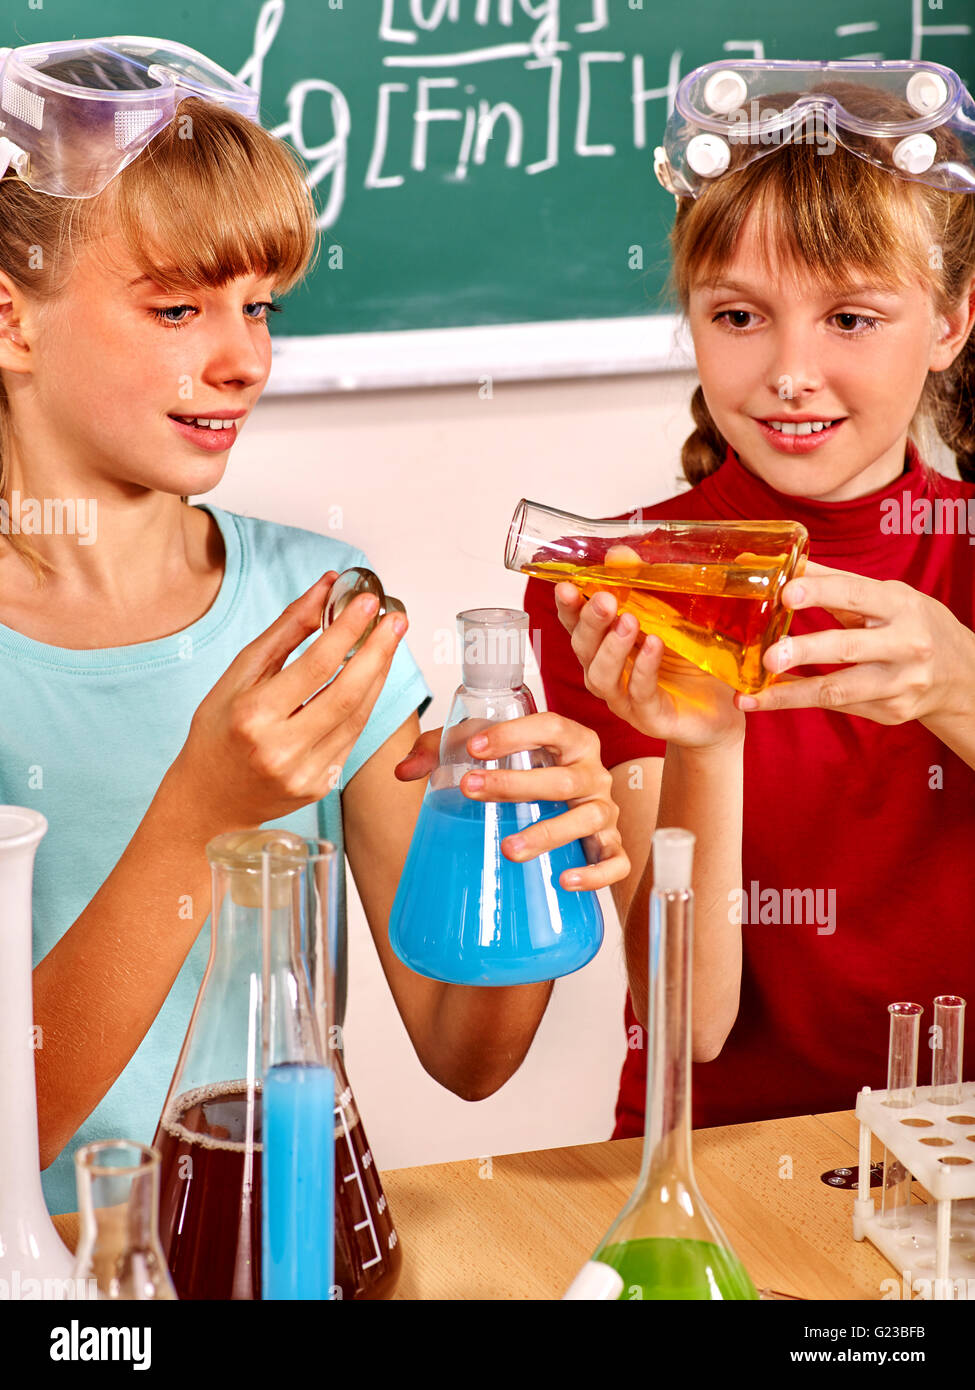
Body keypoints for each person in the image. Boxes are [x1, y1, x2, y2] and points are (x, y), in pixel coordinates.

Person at [0, 38, 628, 1212]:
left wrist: (519, 857)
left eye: (259, 306)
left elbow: (467, 1052)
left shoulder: (325, 609)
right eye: (179, 307)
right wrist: (199, 816)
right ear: (13, 321)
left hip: (281, 1253)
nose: (246, 359)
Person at [524, 61, 975, 1137]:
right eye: (739, 314)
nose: (788, 371)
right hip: (719, 1171)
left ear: (953, 321)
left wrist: (959, 683)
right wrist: (703, 745)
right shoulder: (620, 583)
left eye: (852, 320)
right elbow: (689, 1029)